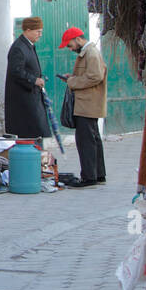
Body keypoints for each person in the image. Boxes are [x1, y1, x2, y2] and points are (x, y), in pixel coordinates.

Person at [58, 26, 107, 187]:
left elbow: (95, 77)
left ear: (78, 39)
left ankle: (89, 177)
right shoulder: (88, 53)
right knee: (92, 139)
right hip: (88, 103)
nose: (69, 48)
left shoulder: (91, 53)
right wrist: (72, 77)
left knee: (86, 141)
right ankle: (98, 175)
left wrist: (72, 81)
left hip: (87, 104)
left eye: (69, 45)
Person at [4, 16, 51, 142]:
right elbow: (16, 71)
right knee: (30, 133)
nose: (40, 35)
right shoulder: (18, 48)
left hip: (31, 97)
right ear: (28, 30)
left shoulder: (28, 45)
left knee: (38, 133)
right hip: (23, 101)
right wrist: (34, 80)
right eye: (38, 31)